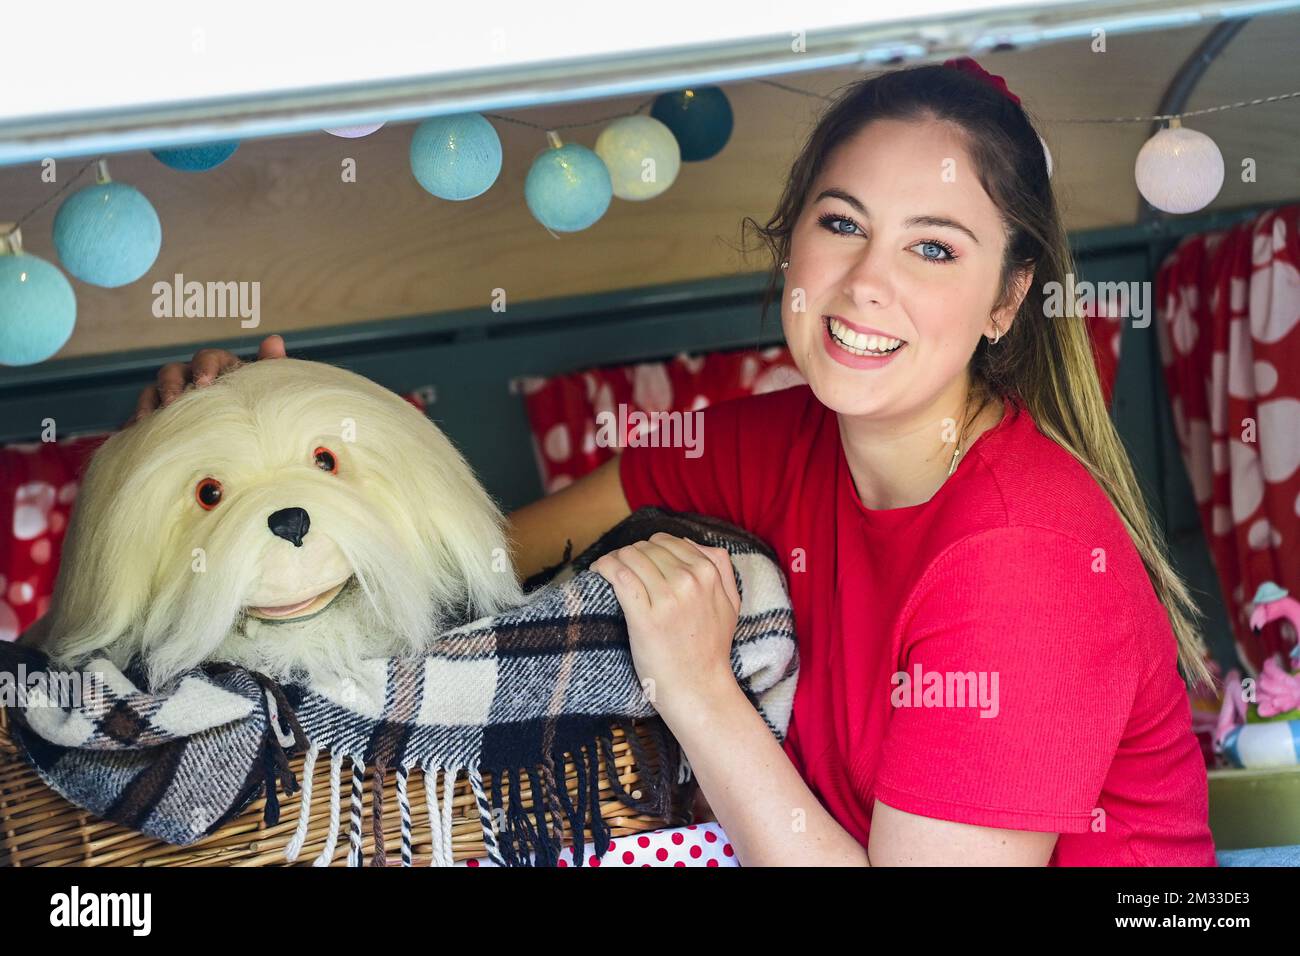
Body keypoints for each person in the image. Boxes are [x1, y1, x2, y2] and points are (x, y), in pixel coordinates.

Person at [130, 60, 1217, 867]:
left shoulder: (1019, 556)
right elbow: (475, 567)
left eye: (933, 246)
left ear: (1006, 299)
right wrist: (252, 466)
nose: (865, 283)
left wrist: (696, 688)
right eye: (843, 224)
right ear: (790, 238)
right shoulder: (767, 439)